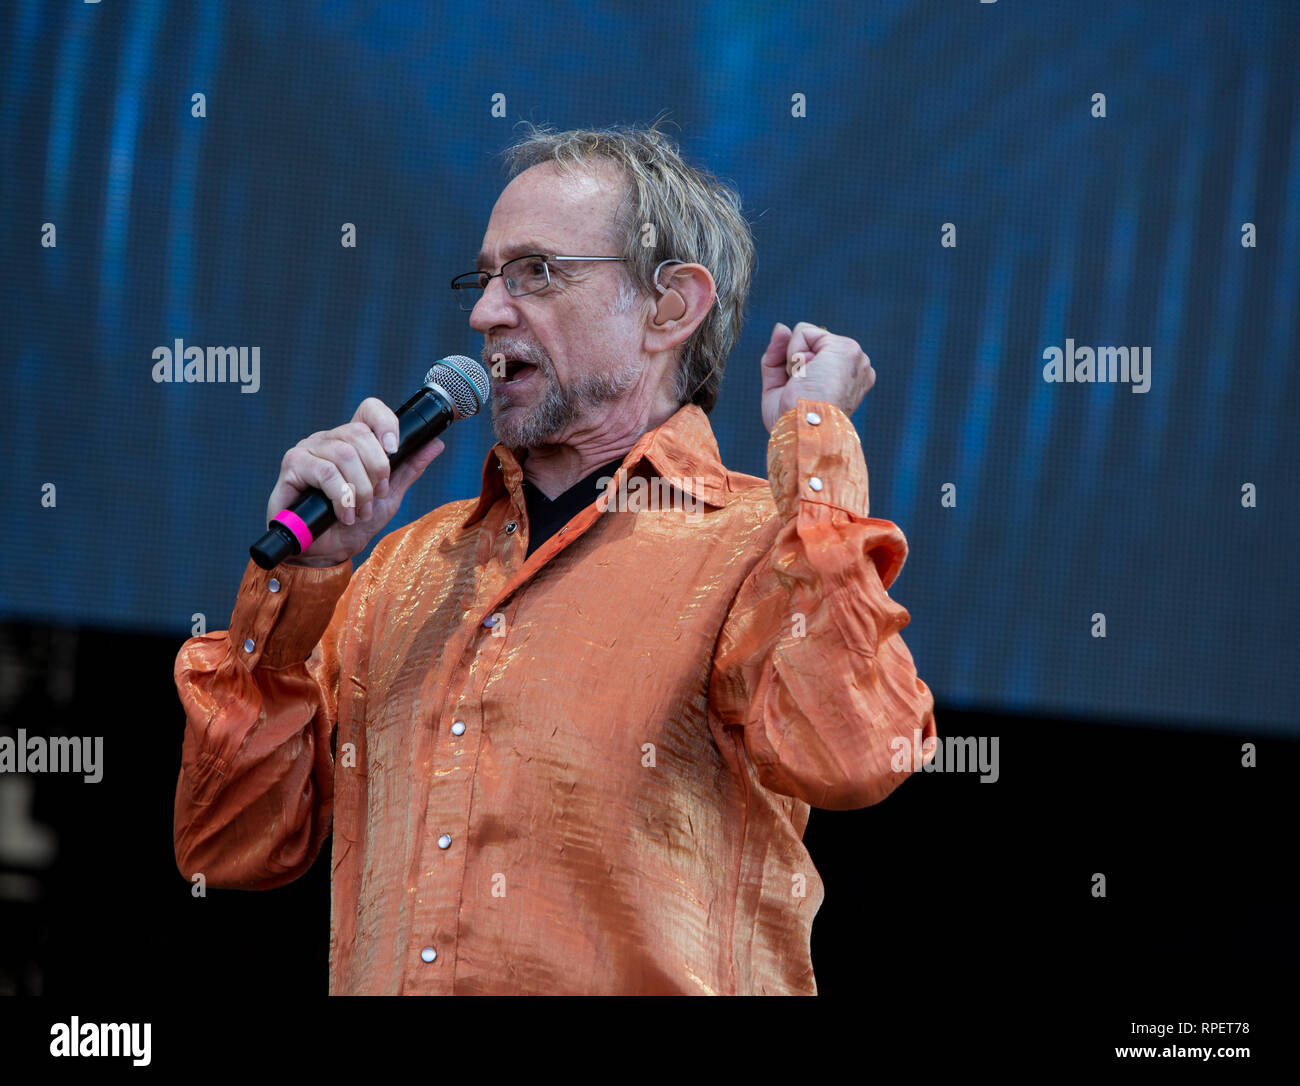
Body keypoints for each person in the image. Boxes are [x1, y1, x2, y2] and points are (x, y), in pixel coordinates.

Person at [172, 121, 938, 995]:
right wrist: (303, 581)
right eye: (487, 276)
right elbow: (227, 845)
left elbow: (853, 756)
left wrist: (817, 441)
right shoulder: (401, 569)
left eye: (535, 272)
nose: (485, 311)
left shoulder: (765, 547)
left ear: (670, 307)